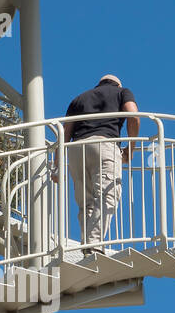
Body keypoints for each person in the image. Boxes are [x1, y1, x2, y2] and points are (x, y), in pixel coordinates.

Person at [58, 74, 139, 253]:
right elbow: (134, 116)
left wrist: (57, 164)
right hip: (104, 145)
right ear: (117, 84)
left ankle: (88, 244)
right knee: (108, 195)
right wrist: (130, 149)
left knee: (86, 203)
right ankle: (93, 243)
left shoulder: (79, 98)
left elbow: (65, 132)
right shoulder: (122, 92)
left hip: (76, 149)